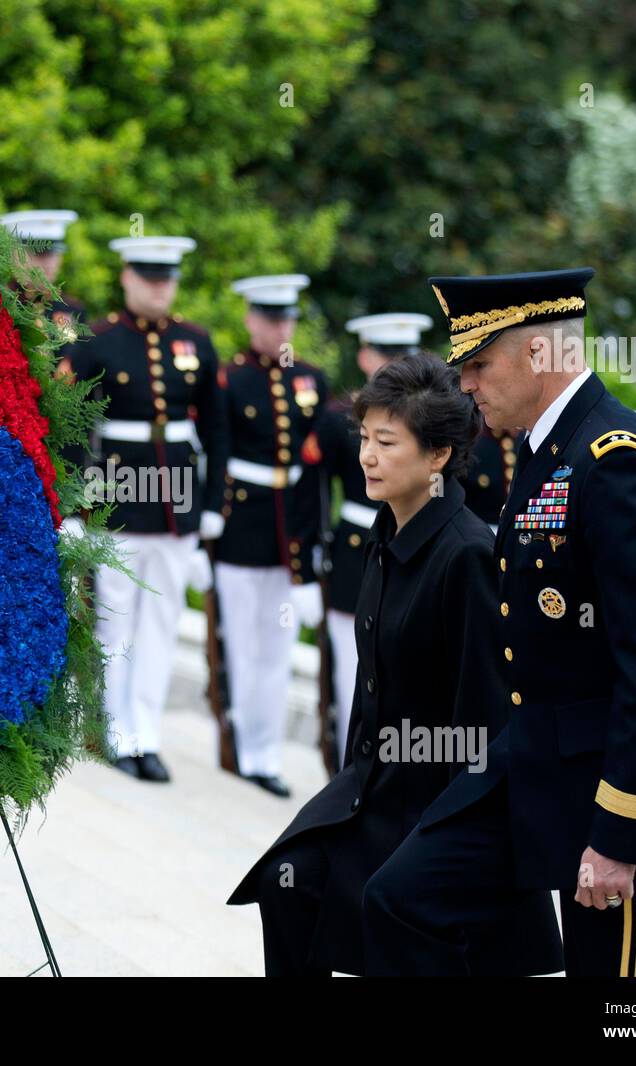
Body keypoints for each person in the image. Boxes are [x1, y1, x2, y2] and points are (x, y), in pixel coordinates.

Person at [362, 268, 636, 977]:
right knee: (402, 894)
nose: (468, 386)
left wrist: (621, 837)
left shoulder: (616, 460)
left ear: (541, 356)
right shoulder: (550, 449)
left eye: (480, 365)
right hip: (543, 755)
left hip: (624, 784)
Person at [227, 352, 561, 976]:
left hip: (440, 805)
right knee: (285, 882)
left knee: (389, 909)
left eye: (387, 442)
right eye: (364, 439)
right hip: (375, 791)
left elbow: (486, 729)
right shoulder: (388, 534)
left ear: (437, 457)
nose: (367, 457)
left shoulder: (465, 557)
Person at [59, 235, 227, 783]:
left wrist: (211, 509)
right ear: (127, 278)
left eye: (166, 279)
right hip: (118, 500)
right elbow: (71, 426)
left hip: (177, 506)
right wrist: (74, 508)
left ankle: (146, 735)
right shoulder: (98, 342)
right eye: (148, 278)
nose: (158, 288)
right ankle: (113, 731)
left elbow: (217, 431)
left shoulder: (195, 343)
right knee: (116, 622)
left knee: (161, 623)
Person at [215, 274, 326, 797]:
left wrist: (313, 550)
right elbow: (214, 454)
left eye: (287, 318)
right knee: (241, 642)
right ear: (251, 319)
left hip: (292, 532)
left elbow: (317, 472)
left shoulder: (311, 380)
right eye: (270, 317)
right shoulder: (230, 378)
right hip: (243, 526)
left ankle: (267, 752)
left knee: (277, 648)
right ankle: (238, 744)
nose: (280, 327)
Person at [304, 312, 431, 769]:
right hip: (356, 548)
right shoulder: (339, 418)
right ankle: (350, 774)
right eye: (385, 356)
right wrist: (306, 565)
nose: (394, 367)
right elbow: (311, 492)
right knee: (351, 674)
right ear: (364, 356)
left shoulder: (431, 422)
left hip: (416, 546)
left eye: (403, 357)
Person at [0, 209, 84, 338]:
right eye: (40, 253)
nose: (49, 263)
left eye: (54, 254)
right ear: (15, 255)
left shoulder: (72, 308)